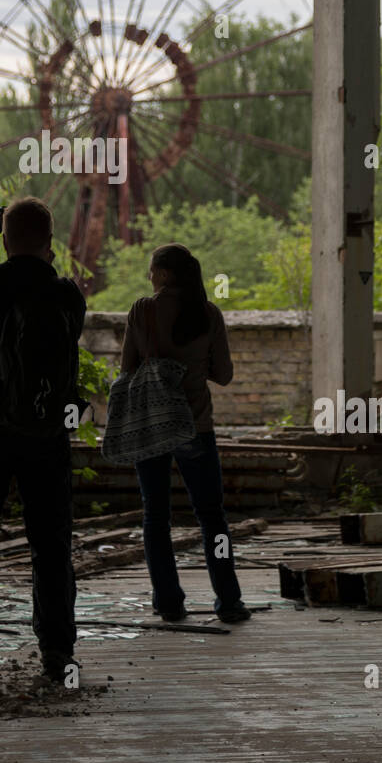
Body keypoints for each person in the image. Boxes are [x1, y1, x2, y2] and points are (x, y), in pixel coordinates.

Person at [0, 196, 86, 681]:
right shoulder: (68, 296)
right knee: (51, 543)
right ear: (51, 244)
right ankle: (57, 651)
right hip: (47, 433)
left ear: (4, 240)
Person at [120, 243, 251, 625]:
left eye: (151, 270)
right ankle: (229, 600)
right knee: (212, 516)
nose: (149, 277)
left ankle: (169, 601)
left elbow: (127, 371)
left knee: (156, 516)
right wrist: (194, 366)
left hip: (152, 427)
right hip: (196, 426)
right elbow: (224, 375)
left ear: (162, 273)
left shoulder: (142, 311)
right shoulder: (208, 313)